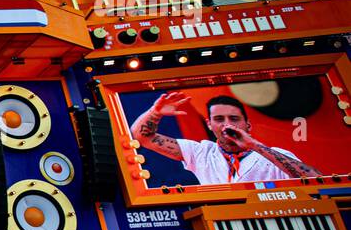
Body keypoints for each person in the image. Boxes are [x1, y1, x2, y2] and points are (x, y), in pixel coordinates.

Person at [131, 92, 319, 183]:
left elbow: (315, 180)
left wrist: (253, 145)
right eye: (219, 119)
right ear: (209, 125)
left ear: (248, 125)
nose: (227, 124)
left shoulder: (275, 155)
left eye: (234, 119)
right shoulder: (201, 152)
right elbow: (142, 136)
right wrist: (155, 113)